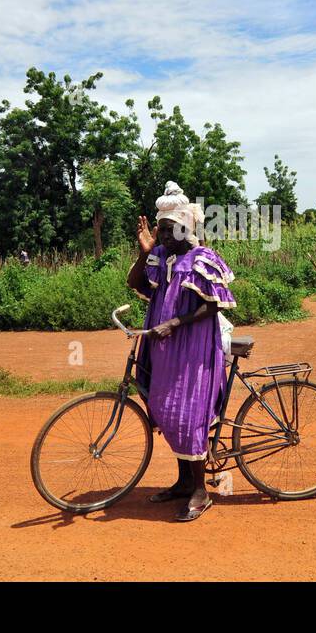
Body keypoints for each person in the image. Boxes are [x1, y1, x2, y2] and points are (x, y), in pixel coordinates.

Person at [125, 182, 236, 522]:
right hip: (165, 353)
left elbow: (214, 306)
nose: (164, 237)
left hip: (194, 351)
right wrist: (145, 251)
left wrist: (174, 323)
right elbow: (135, 284)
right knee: (168, 412)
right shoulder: (162, 257)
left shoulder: (203, 259)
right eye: (161, 231)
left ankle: (201, 492)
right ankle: (184, 483)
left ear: (186, 227)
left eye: (170, 230)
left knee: (188, 417)